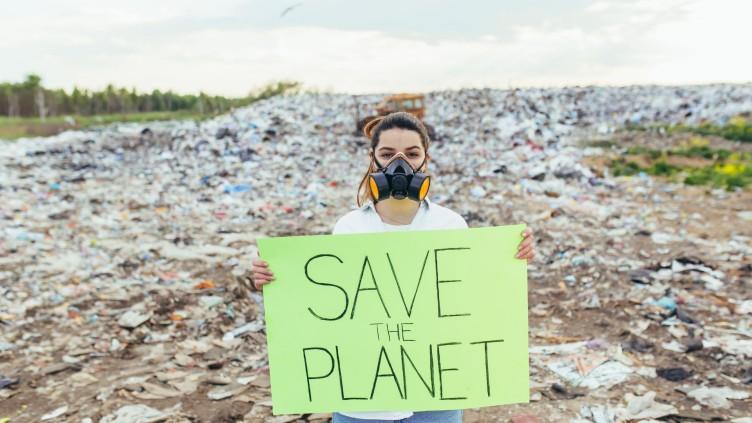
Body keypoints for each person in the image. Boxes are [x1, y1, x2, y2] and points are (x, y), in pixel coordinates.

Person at [252, 111, 535, 423]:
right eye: (387, 154)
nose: (399, 163)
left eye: (412, 154)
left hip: (436, 394)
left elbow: (470, 295)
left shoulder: (450, 224)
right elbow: (332, 305)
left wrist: (510, 259)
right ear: (372, 158)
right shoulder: (349, 227)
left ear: (425, 158)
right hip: (362, 397)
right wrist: (277, 281)